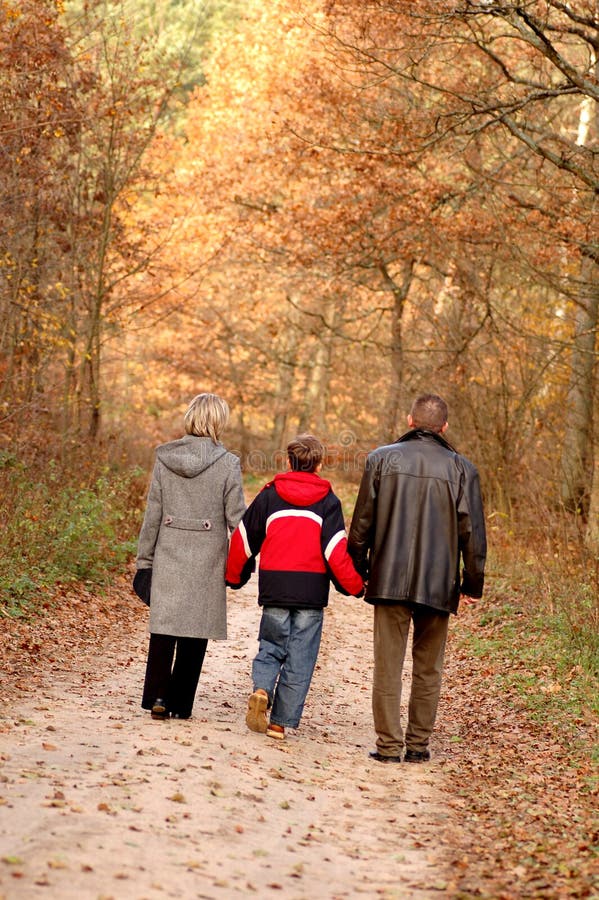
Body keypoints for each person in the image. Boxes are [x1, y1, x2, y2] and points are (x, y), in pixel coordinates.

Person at [348, 393, 486, 763]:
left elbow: (362, 523)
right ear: (444, 427)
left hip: (388, 579)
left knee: (388, 665)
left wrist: (359, 570)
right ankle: (418, 746)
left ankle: (389, 747)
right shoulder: (462, 469)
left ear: (410, 420)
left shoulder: (380, 459)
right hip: (439, 584)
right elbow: (471, 532)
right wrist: (472, 583)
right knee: (429, 668)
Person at [225, 434, 364, 740]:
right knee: (301, 658)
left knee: (271, 646)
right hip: (311, 593)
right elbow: (335, 552)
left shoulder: (270, 496)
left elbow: (244, 540)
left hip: (275, 585)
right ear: (320, 465)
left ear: (288, 462)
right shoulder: (328, 502)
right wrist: (354, 586)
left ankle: (261, 688)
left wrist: (234, 577)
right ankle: (279, 722)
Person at [135, 392, 246, 720]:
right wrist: (246, 559)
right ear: (218, 422)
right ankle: (181, 703)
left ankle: (157, 696)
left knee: (165, 625)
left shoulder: (164, 459)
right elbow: (236, 519)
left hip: (169, 553)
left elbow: (152, 514)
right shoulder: (228, 464)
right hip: (207, 559)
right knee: (195, 630)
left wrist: (144, 561)